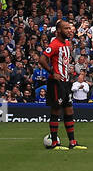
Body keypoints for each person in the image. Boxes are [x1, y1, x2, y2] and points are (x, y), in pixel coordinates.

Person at [36, 19, 85, 150]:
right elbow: (42, 59)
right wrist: (52, 71)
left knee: (69, 110)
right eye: (66, 28)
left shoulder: (67, 43)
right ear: (59, 31)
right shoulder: (54, 44)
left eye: (70, 28)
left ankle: (72, 142)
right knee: (56, 110)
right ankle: (54, 142)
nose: (69, 31)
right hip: (56, 82)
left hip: (66, 81)